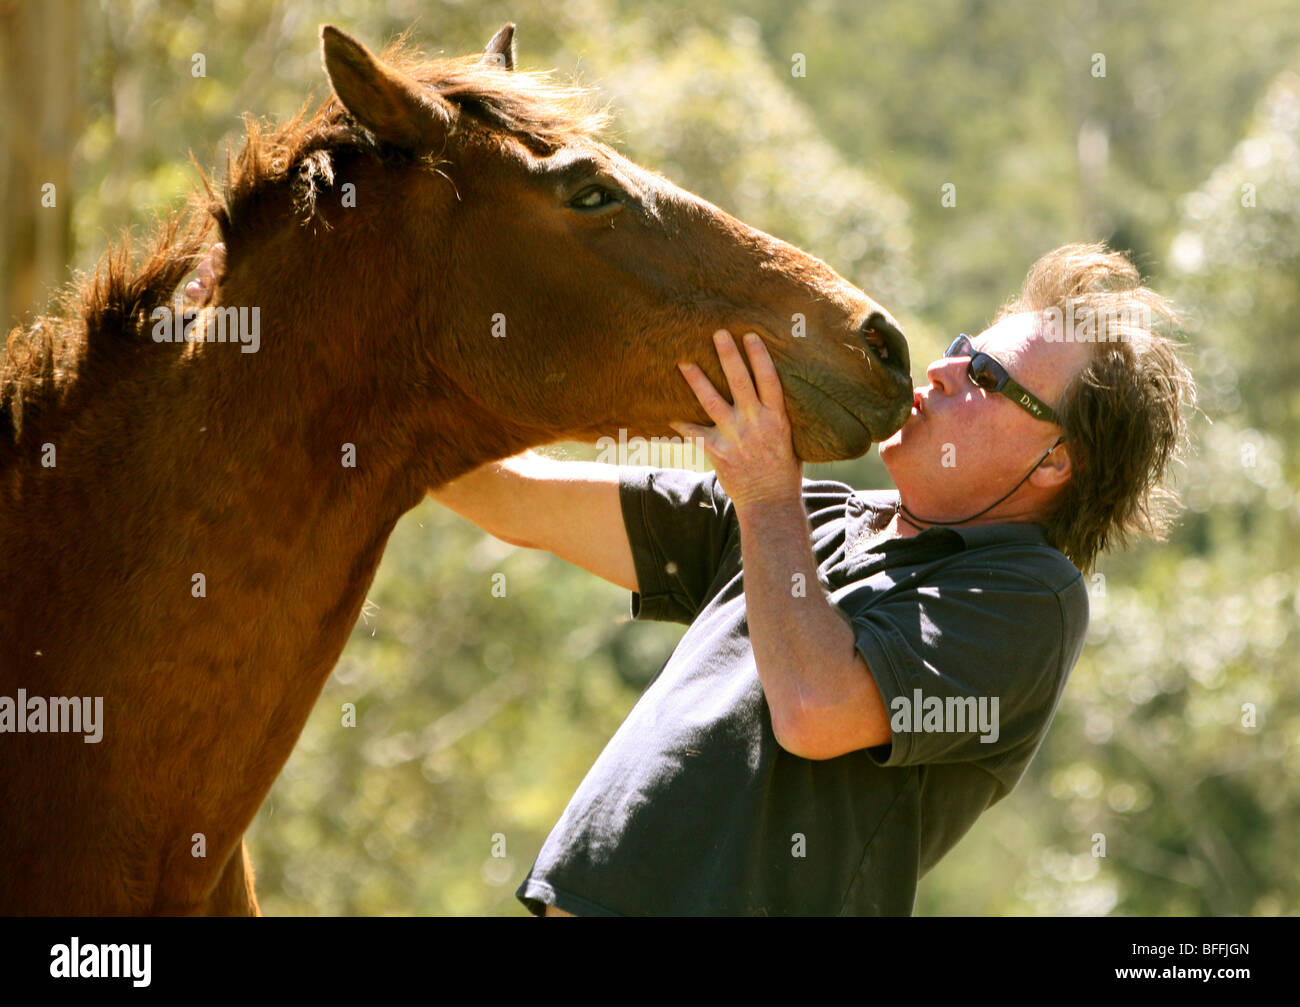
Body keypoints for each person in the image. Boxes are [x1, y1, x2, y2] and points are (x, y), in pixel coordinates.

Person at [190, 241, 1195, 915]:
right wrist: (345, 371)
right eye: (963, 347)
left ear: (1051, 463)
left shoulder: (1028, 595)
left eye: (987, 376)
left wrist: (764, 492)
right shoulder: (814, 521)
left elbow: (816, 706)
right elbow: (522, 500)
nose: (941, 369)